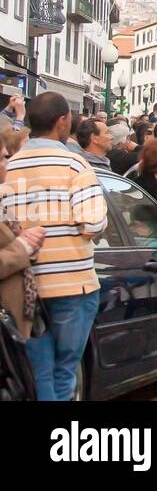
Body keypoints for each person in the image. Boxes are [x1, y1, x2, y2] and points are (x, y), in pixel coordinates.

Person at [0, 92, 106, 400]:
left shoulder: (11, 164)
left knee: (39, 374)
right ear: (63, 121)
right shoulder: (74, 165)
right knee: (66, 370)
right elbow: (94, 223)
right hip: (72, 282)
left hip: (23, 285)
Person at [0, 136, 44, 352]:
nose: (7, 163)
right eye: (3, 157)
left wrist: (28, 241)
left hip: (14, 318)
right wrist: (23, 247)